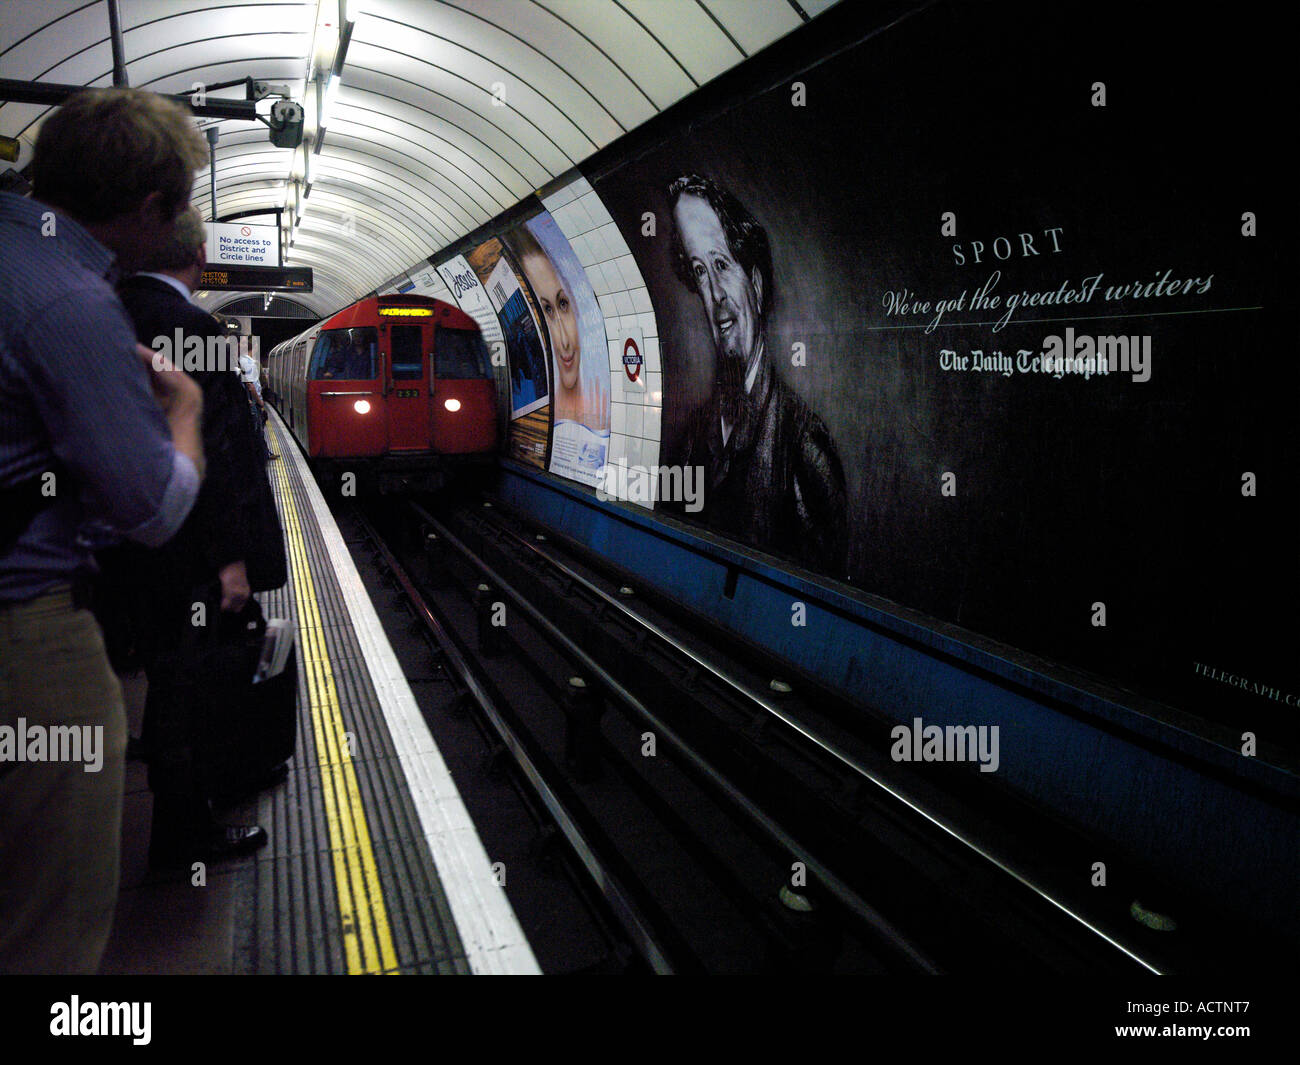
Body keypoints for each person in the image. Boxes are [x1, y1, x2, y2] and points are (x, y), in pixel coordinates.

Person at [0, 87, 207, 974]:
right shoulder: (71, 299)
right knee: (54, 920)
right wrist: (186, 412)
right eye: (180, 202)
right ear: (147, 206)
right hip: (28, 630)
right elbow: (152, 506)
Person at [114, 206, 287, 866]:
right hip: (192, 551)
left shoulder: (111, 312)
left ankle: (211, 788)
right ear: (198, 256)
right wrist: (231, 560)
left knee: (173, 676)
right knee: (194, 678)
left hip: (136, 541)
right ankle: (185, 833)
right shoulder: (192, 325)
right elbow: (214, 451)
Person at [666, 174, 849, 575]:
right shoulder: (693, 438)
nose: (714, 295)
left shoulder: (803, 447)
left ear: (757, 283)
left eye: (721, 264)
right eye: (699, 271)